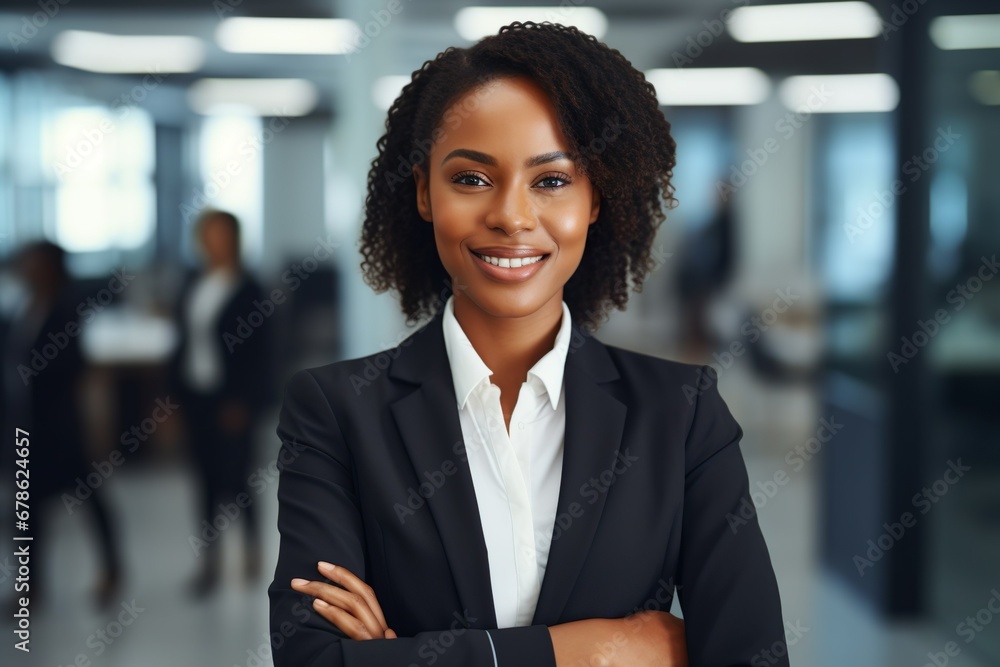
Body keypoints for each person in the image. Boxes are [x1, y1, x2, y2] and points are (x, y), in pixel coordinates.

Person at [268, 21, 788, 667]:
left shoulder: (682, 416)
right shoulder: (336, 411)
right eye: (472, 179)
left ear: (596, 198)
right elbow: (310, 661)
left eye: (551, 180)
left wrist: (407, 656)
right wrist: (592, 650)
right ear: (424, 192)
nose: (512, 216)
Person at [0, 241, 123, 609]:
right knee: (24, 511)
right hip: (26, 427)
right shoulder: (23, 307)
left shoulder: (67, 310)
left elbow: (74, 368)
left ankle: (111, 569)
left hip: (60, 429)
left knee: (89, 499)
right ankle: (30, 585)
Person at [168, 209, 274, 597]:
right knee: (204, 480)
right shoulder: (193, 282)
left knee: (238, 479)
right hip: (197, 395)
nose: (213, 242)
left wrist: (245, 402)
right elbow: (181, 342)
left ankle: (251, 551)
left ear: (233, 238)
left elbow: (262, 355)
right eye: (206, 234)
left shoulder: (250, 289)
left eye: (220, 234)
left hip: (234, 403)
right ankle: (209, 562)